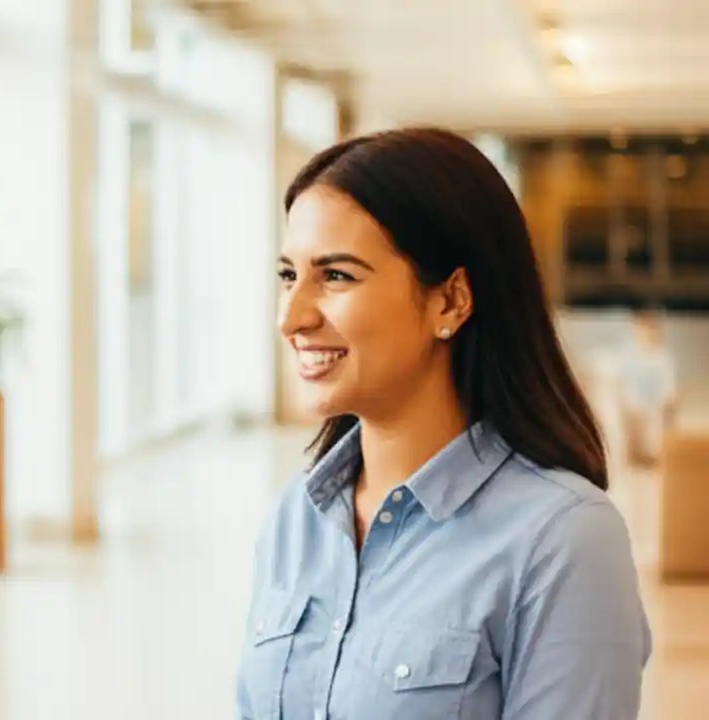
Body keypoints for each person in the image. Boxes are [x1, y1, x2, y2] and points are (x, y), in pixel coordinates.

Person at [238, 128, 649, 719]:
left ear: (451, 300)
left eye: (336, 276)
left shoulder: (563, 540)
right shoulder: (295, 521)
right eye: (287, 275)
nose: (292, 317)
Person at [618, 307, 677, 467]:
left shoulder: (662, 358)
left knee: (656, 424)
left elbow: (669, 389)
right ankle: (635, 458)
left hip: (655, 409)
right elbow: (624, 386)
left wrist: (664, 404)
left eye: (651, 330)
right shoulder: (628, 356)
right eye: (642, 330)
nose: (646, 334)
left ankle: (652, 458)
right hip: (634, 409)